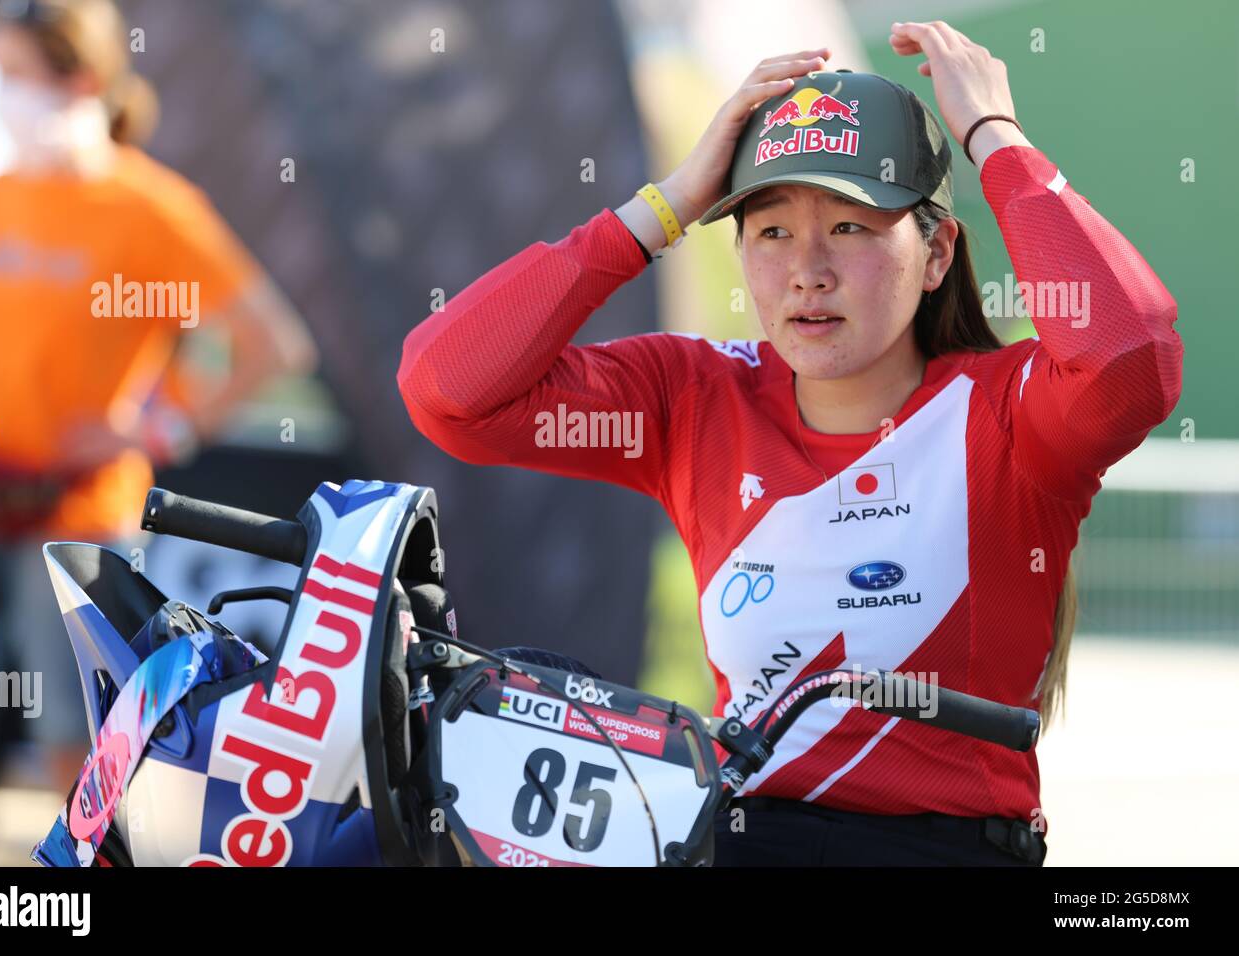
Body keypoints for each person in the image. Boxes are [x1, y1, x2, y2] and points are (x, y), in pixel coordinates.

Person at [398, 21, 1183, 866]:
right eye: (771, 232)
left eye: (850, 227)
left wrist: (996, 139)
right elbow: (448, 390)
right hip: (738, 836)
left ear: (936, 254)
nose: (808, 270)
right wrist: (668, 205)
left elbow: (1133, 357)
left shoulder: (1011, 410)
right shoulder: (695, 396)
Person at [0, 0, 317, 866]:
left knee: (81, 752)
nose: (2, 98)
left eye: (18, 76)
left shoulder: (151, 206)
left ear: (81, 80)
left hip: (74, 520)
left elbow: (273, 342)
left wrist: (158, 424)